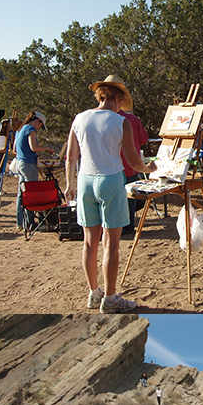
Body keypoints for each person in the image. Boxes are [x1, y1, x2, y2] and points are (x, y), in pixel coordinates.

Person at [64, 75, 157, 313]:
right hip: (111, 179)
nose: (121, 107)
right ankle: (111, 297)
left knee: (89, 242)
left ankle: (94, 293)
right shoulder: (120, 122)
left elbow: (71, 156)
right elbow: (133, 160)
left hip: (85, 180)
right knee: (111, 245)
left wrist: (69, 184)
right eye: (121, 102)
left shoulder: (80, 118)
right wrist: (149, 169)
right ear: (117, 98)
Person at [13, 110, 54, 231]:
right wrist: (46, 148)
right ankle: (30, 222)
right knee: (31, 194)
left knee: (22, 194)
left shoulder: (20, 130)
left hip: (20, 163)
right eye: (41, 125)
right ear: (37, 121)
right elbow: (33, 147)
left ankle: (20, 221)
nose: (40, 128)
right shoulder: (31, 130)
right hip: (28, 165)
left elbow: (15, 148)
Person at [118, 106, 149, 237]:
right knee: (130, 196)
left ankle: (120, 228)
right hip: (131, 165)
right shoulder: (132, 119)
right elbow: (143, 139)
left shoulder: (105, 119)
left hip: (112, 166)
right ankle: (129, 226)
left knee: (116, 198)